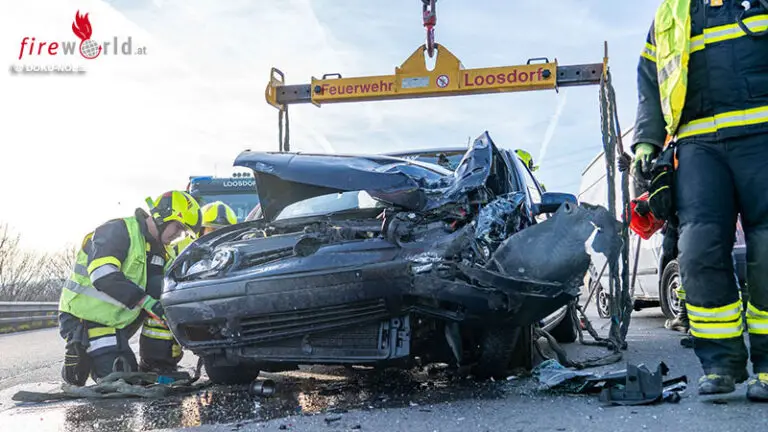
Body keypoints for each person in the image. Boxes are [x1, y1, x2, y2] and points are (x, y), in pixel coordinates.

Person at [631, 0, 768, 399]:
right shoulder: (670, 14)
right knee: (696, 250)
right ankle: (721, 365)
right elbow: (650, 79)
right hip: (698, 145)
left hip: (762, 137)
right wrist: (645, 139)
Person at [57, 191, 202, 385]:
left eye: (183, 232)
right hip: (85, 318)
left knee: (164, 307)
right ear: (163, 216)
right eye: (178, 227)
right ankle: (76, 359)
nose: (178, 235)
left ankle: (157, 364)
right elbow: (102, 274)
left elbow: (165, 290)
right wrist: (145, 301)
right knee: (119, 376)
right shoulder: (118, 230)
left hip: (118, 320)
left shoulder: (161, 251)